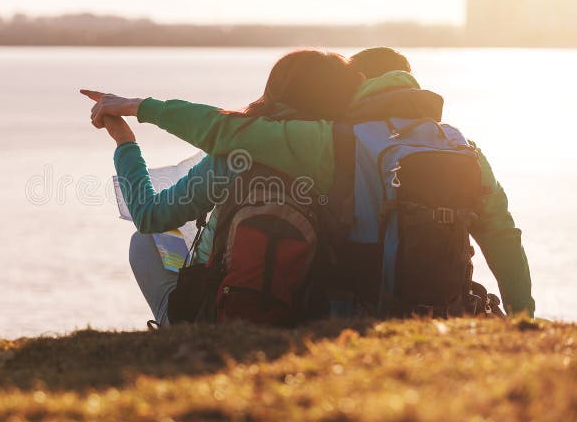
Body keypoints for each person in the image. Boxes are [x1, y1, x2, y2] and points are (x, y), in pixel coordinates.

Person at [84, 52, 535, 317]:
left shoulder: (334, 143)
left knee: (145, 243)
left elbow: (222, 130)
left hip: (355, 308)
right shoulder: (462, 146)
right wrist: (523, 318)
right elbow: (503, 236)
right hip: (438, 303)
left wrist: (135, 117)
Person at [82, 50, 363, 325]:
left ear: (274, 92)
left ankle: (176, 330)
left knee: (144, 242)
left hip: (217, 311)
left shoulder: (235, 157)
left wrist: (124, 141)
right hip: (305, 307)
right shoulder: (343, 153)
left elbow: (149, 216)